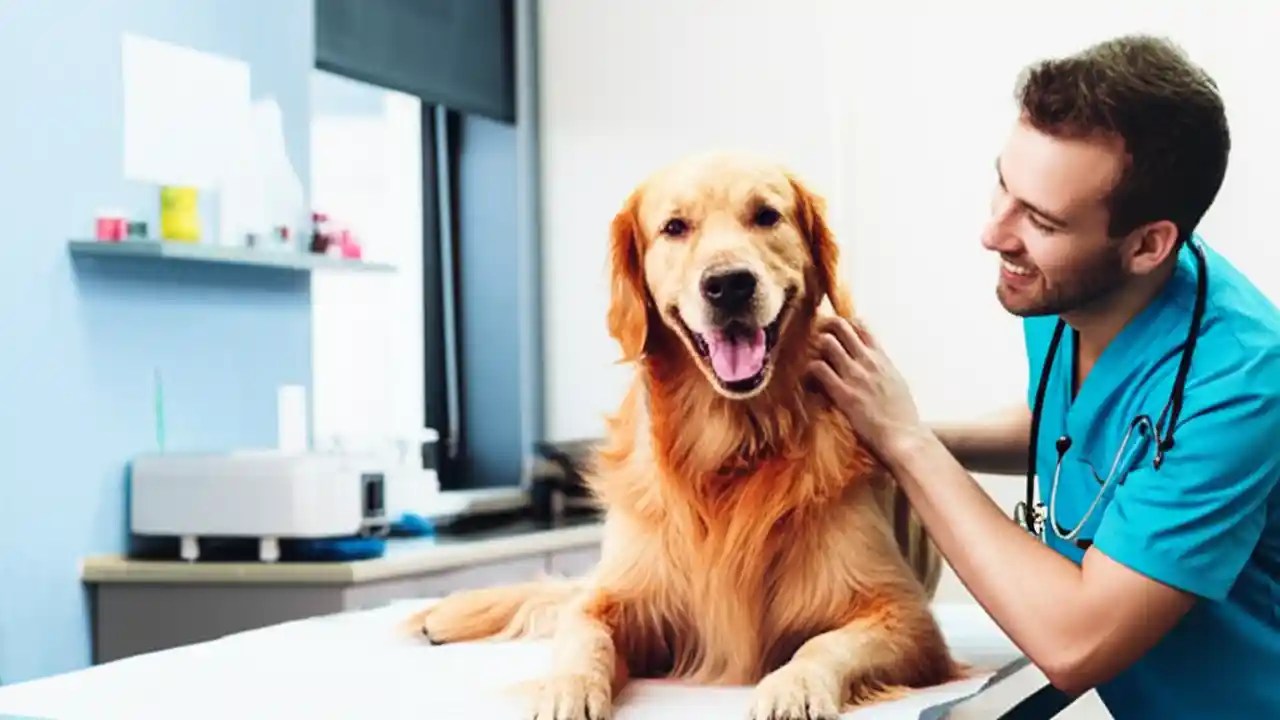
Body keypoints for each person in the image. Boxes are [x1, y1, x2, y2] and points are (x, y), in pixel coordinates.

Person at [809, 34, 1280, 718]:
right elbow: (1085, 435)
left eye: (1040, 219)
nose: (995, 234)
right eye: (1004, 182)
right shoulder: (1067, 287)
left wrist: (908, 443)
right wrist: (884, 430)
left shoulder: (1241, 380)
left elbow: (1075, 642)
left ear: (1148, 244)